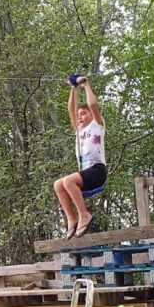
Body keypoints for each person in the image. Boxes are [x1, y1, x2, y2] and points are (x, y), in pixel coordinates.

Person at [54, 76, 107, 239]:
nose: (80, 117)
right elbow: (71, 109)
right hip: (85, 173)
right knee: (58, 184)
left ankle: (84, 214)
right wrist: (73, 88)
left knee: (68, 181)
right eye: (79, 115)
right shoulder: (79, 131)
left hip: (97, 171)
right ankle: (72, 219)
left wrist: (85, 85)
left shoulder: (97, 126)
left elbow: (92, 105)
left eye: (84, 114)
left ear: (93, 115)